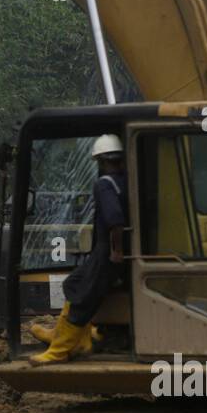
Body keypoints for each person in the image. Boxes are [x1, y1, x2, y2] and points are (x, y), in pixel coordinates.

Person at [30, 133, 127, 364]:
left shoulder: (105, 184)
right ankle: (74, 338)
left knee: (83, 297)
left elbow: (115, 221)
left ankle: (59, 350)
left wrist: (116, 251)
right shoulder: (125, 181)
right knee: (73, 284)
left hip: (107, 252)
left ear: (101, 161)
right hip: (105, 250)